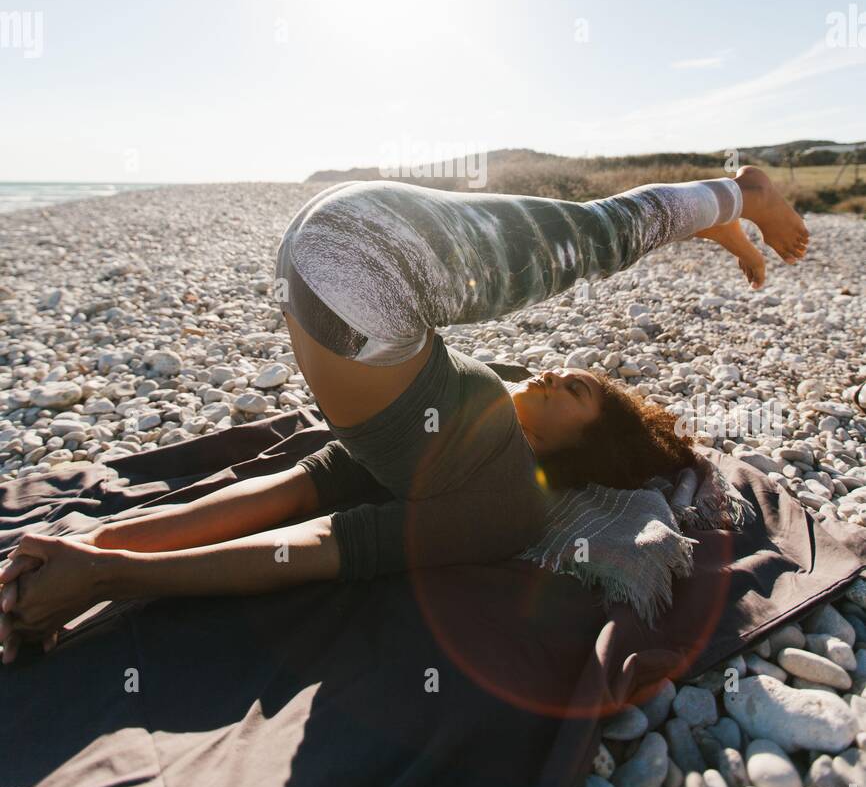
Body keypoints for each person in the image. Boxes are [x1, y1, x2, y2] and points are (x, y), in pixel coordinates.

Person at [0, 165, 808, 662]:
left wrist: (114, 577)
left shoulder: (505, 504)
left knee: (593, 236)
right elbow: (289, 488)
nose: (561, 368)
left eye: (581, 390)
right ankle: (725, 218)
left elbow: (316, 542)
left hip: (355, 269)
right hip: (338, 259)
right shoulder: (454, 422)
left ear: (577, 451)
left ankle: (739, 197)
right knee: (583, 241)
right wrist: (89, 543)